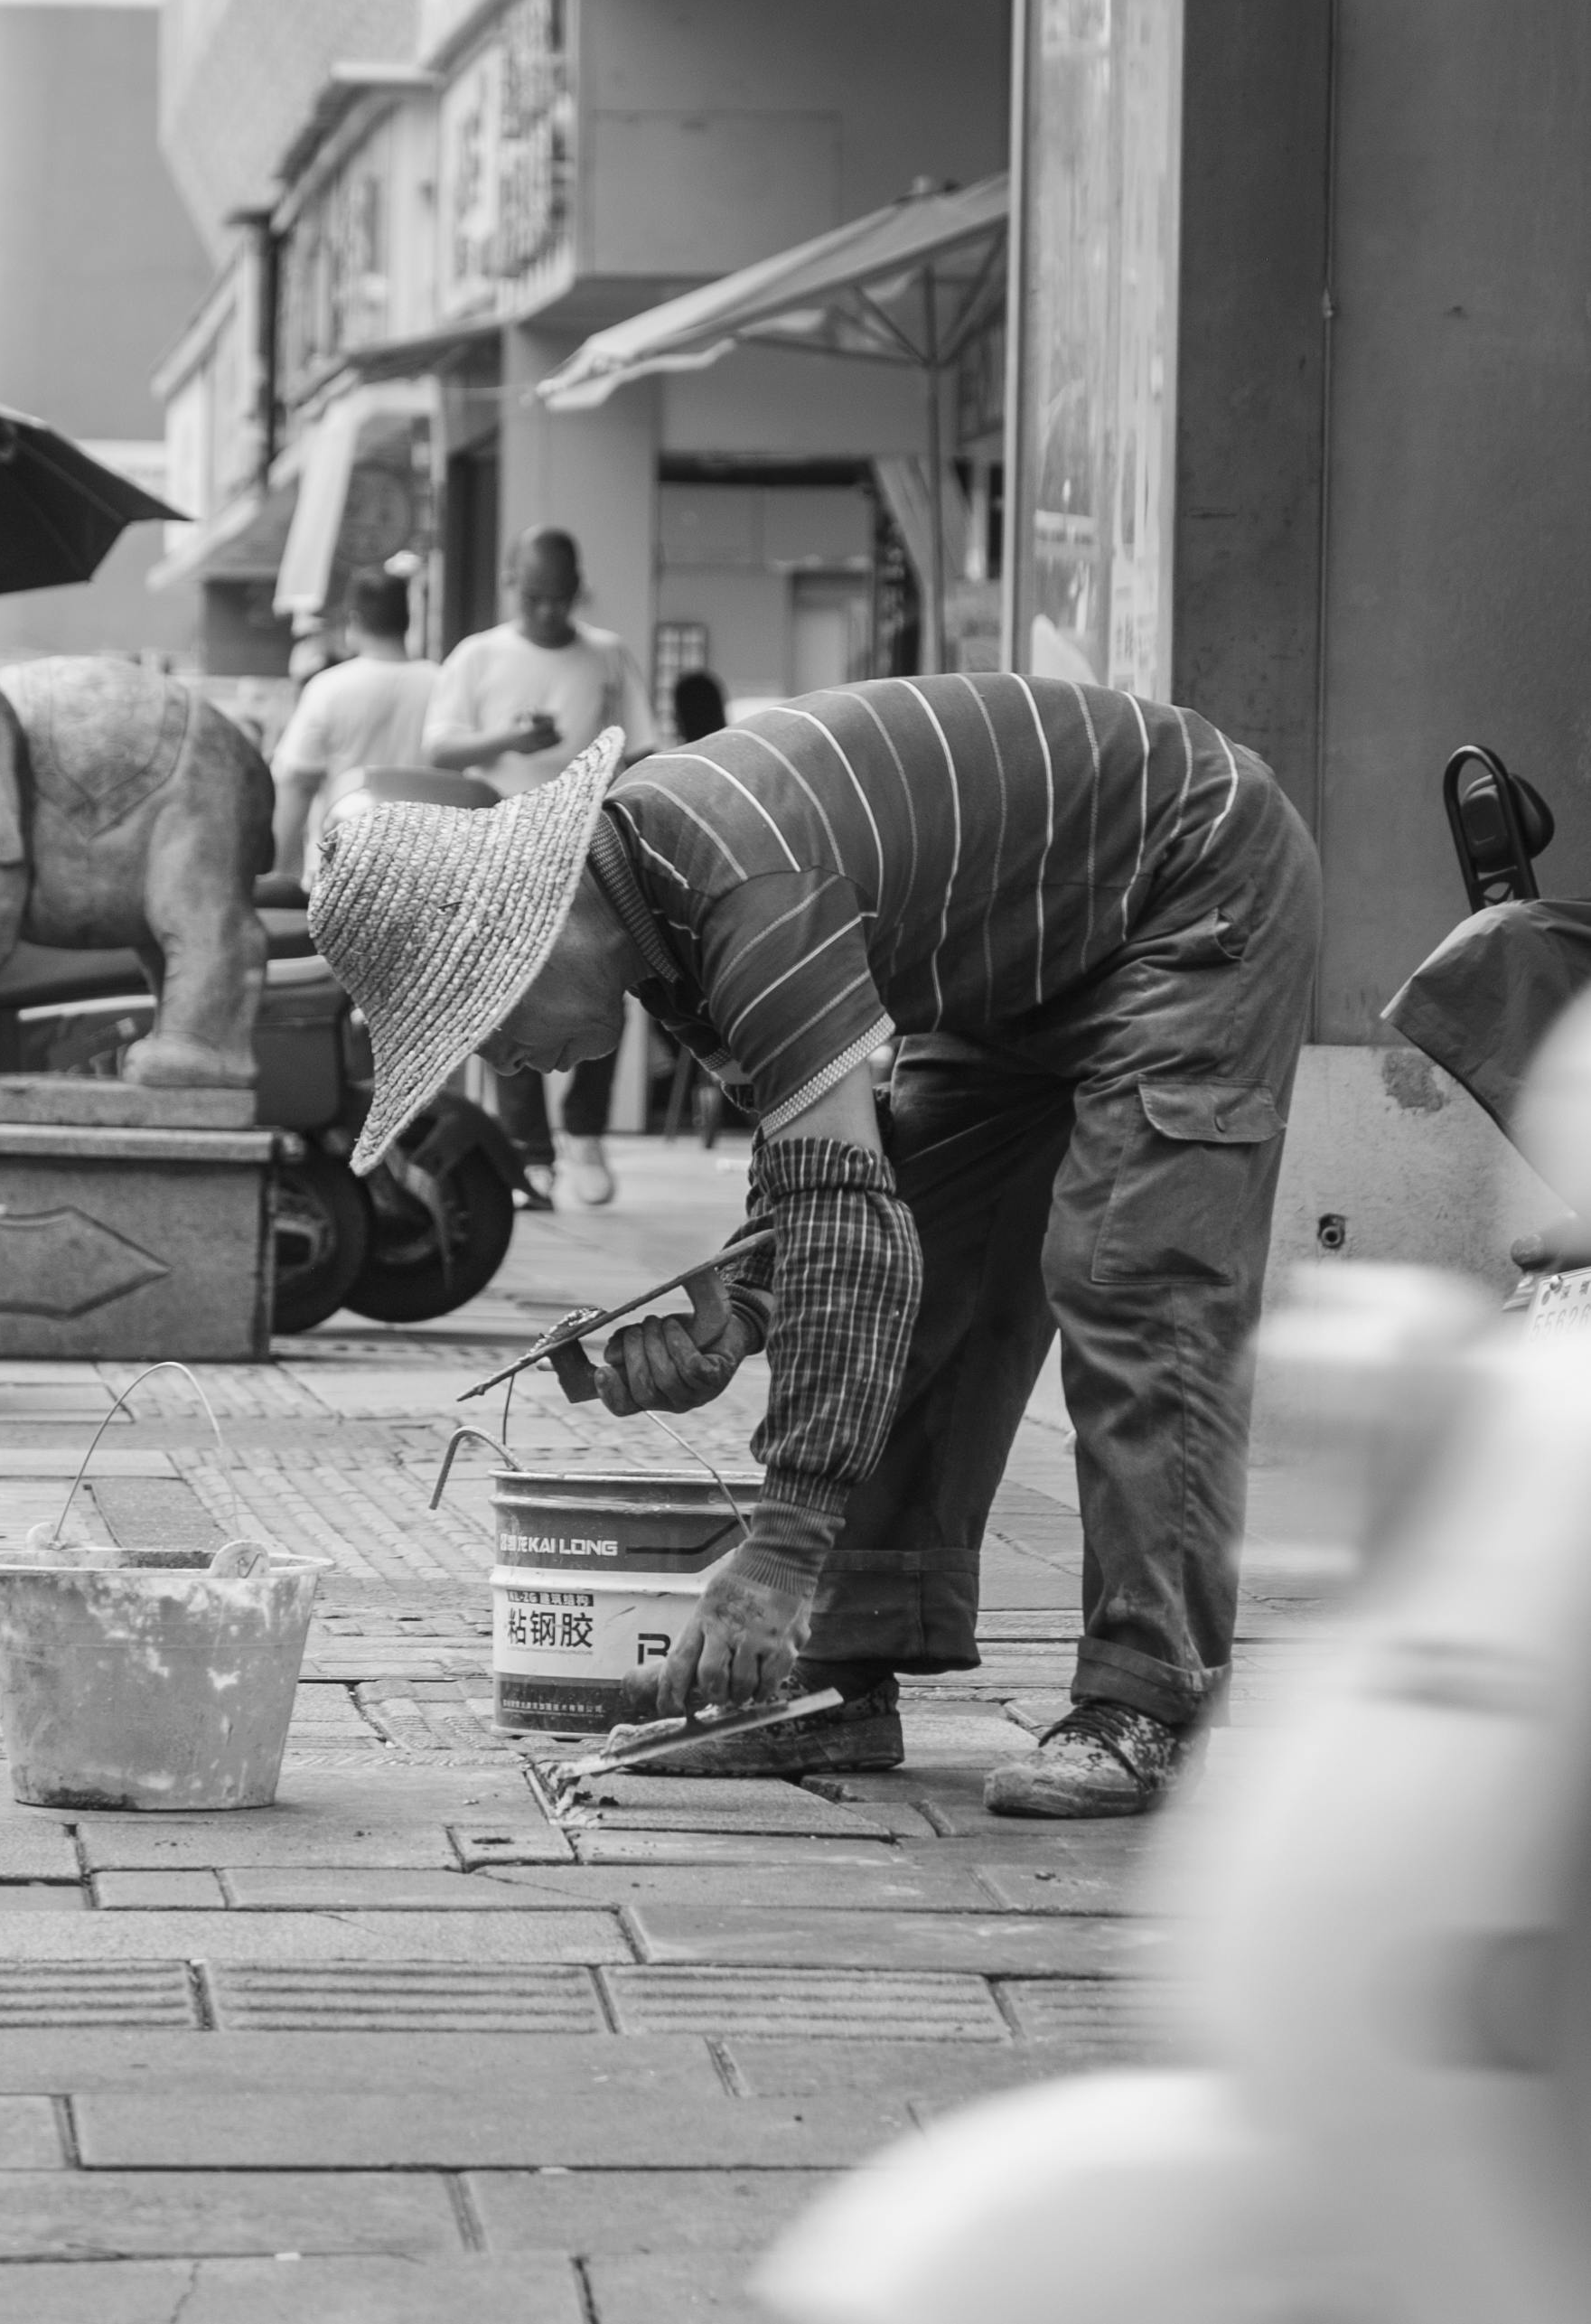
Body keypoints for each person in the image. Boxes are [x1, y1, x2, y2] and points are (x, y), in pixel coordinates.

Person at [309, 672, 1320, 1819]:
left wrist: (782, 1547)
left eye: (480, 1028)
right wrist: (735, 1311)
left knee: (1132, 1275)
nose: (508, 1069)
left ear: (524, 942)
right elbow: (830, 1174)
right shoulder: (657, 917)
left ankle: (1150, 1695)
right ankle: (840, 1676)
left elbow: (845, 1222)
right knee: (923, 1258)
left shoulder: (739, 877)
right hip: (1005, 966)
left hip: (1188, 882)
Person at [424, 526, 657, 1207]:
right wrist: (513, 739)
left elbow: (642, 748)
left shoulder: (608, 655)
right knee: (504, 990)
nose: (549, 612)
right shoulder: (478, 656)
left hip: (591, 847)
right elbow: (439, 749)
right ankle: (529, 1150)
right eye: (534, 597)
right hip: (501, 843)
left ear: (576, 588)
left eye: (559, 597)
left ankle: (584, 1130)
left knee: (609, 980)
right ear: (510, 582)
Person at [270, 568, 438, 886]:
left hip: (346, 874)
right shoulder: (442, 683)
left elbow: (298, 785)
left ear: (355, 620)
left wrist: (278, 875)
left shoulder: (329, 688)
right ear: (407, 620)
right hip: (429, 870)